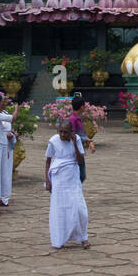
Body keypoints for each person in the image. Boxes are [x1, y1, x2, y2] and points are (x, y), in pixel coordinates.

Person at [45, 119, 89, 249]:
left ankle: (83, 237)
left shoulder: (77, 140)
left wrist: (75, 143)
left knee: (80, 209)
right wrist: (48, 181)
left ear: (71, 132)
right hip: (58, 178)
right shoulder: (53, 141)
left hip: (72, 177)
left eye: (66, 132)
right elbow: (48, 161)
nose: (63, 135)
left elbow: (80, 160)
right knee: (60, 209)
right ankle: (60, 238)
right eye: (61, 132)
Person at [69, 93, 95, 183]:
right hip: (75, 149)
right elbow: (73, 134)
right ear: (81, 107)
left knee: (80, 175)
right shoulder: (73, 119)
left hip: (78, 148)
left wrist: (88, 141)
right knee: (81, 175)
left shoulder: (76, 118)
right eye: (84, 106)